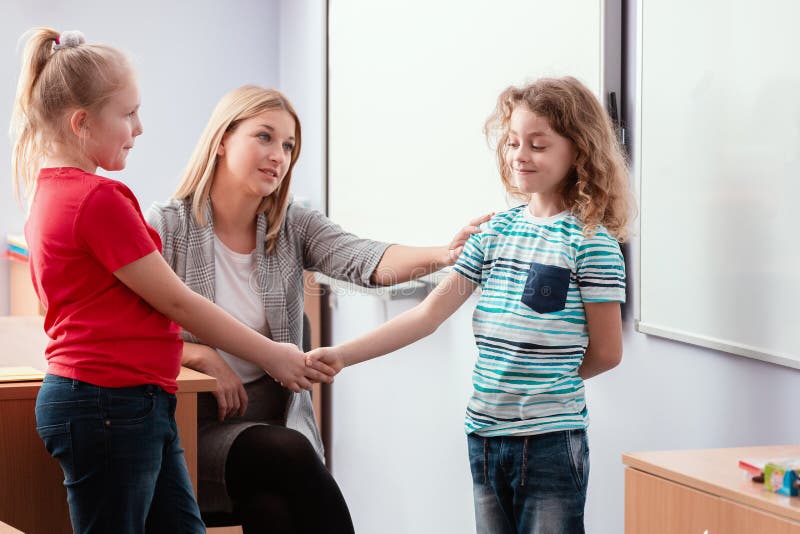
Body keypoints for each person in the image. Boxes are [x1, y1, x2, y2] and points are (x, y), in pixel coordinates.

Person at [10, 29, 333, 534]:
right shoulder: (98, 200)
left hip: (130, 402)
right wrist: (272, 354)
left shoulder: (47, 194)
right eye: (128, 113)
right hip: (110, 404)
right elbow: (178, 303)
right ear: (81, 122)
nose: (139, 128)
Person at [145, 84, 490, 533]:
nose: (279, 156)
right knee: (287, 455)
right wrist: (198, 356)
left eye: (288, 146)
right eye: (264, 137)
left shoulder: (291, 226)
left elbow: (366, 260)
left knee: (274, 508)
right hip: (192, 426)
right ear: (222, 139)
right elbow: (129, 330)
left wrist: (444, 253)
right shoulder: (166, 225)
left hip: (272, 421)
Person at [306, 76, 634, 534]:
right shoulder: (494, 233)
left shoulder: (591, 243)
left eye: (538, 145)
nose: (520, 155)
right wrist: (339, 356)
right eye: (513, 142)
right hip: (483, 435)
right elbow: (427, 316)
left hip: (550, 441)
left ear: (578, 151)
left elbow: (607, 352)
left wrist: (547, 382)